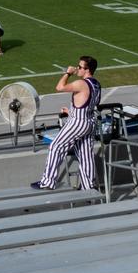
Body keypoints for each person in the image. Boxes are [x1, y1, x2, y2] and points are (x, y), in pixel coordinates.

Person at [32, 56, 102, 191]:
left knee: (55, 147)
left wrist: (68, 73)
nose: (77, 69)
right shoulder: (96, 84)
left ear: (87, 70)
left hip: (78, 123)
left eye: (80, 67)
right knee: (85, 155)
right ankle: (89, 188)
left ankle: (48, 182)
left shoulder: (82, 83)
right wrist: (71, 111)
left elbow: (59, 87)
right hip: (89, 122)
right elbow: (89, 105)